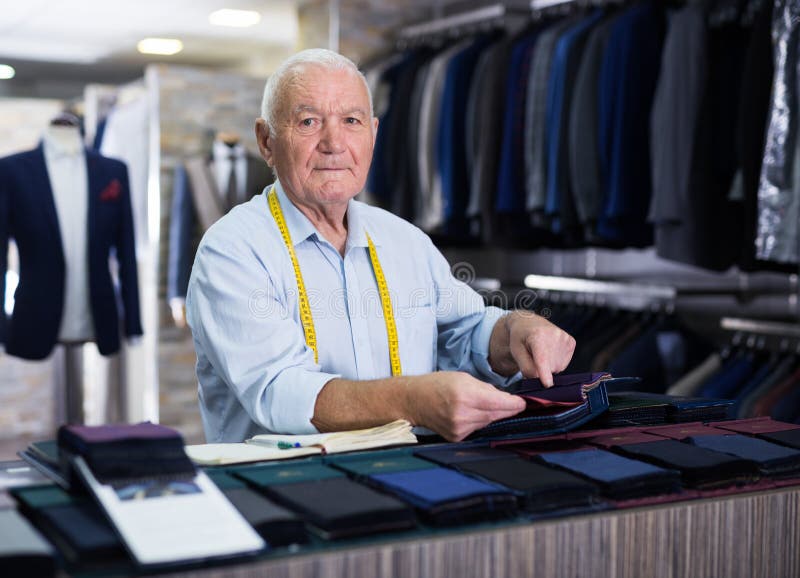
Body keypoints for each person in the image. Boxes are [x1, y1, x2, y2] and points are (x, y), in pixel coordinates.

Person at [186, 49, 576, 443]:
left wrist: (514, 330)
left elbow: (465, 331)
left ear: (373, 134)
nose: (333, 142)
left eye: (351, 121)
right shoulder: (231, 250)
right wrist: (413, 401)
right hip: (281, 494)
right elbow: (279, 392)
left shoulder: (405, 240)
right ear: (266, 141)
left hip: (410, 482)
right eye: (308, 121)